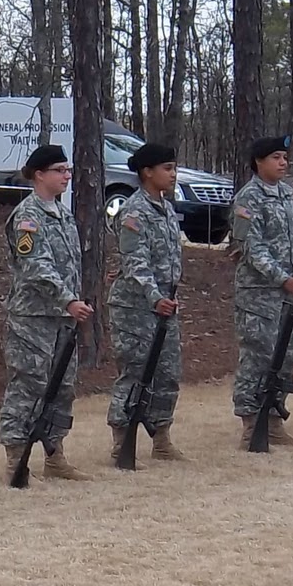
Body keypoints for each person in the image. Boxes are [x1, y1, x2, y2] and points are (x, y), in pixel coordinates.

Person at [0, 145, 92, 482]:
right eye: (59, 170)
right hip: (34, 318)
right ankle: (15, 457)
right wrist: (67, 299)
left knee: (62, 386)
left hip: (63, 318)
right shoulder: (28, 218)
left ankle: (55, 454)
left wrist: (72, 303)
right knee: (28, 384)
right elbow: (35, 267)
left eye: (68, 170)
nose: (67, 176)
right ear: (39, 174)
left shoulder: (63, 216)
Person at [106, 141, 187, 462]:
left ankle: (161, 437)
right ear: (147, 172)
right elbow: (135, 262)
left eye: (174, 168)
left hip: (164, 306)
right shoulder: (133, 212)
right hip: (135, 307)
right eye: (167, 169)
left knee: (168, 372)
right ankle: (121, 439)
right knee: (135, 371)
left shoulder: (165, 207)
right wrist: (155, 297)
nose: (173, 174)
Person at [230, 135, 293, 447]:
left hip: (287, 293)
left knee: (283, 356)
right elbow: (251, 247)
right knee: (257, 356)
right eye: (276, 157)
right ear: (259, 162)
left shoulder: (287, 194)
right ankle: (251, 421)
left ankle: (274, 417)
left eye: (285, 157)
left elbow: (291, 240)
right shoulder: (248, 199)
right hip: (259, 293)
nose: (283, 162)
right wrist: (281, 277)